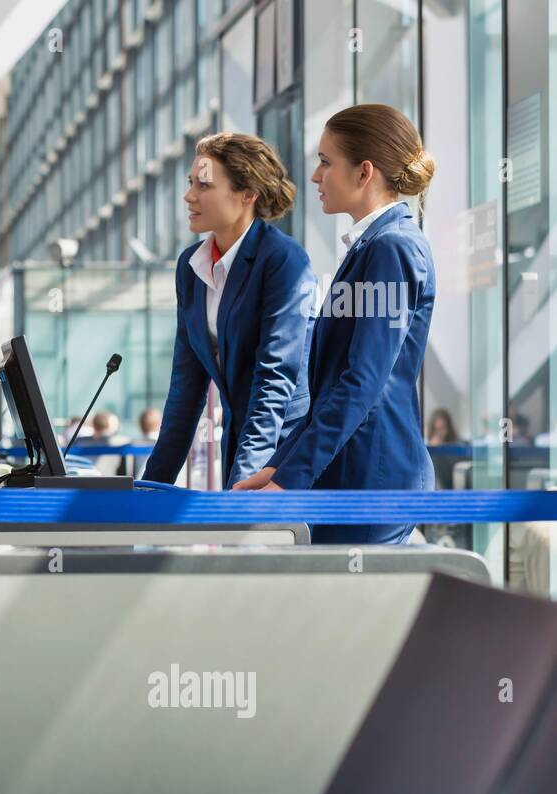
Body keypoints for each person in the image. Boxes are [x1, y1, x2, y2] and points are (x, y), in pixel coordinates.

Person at [234, 105, 437, 546]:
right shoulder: (373, 246)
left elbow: (362, 382)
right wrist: (278, 467)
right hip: (352, 474)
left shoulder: (391, 249)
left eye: (325, 162)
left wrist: (291, 479)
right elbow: (331, 389)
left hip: (372, 480)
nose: (315, 176)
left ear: (364, 172)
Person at [143, 133, 316, 490]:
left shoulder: (283, 260)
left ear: (247, 194)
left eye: (204, 185)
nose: (189, 195)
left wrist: (242, 489)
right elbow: (185, 388)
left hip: (286, 455)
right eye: (191, 183)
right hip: (240, 444)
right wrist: (149, 488)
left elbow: (274, 379)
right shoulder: (190, 266)